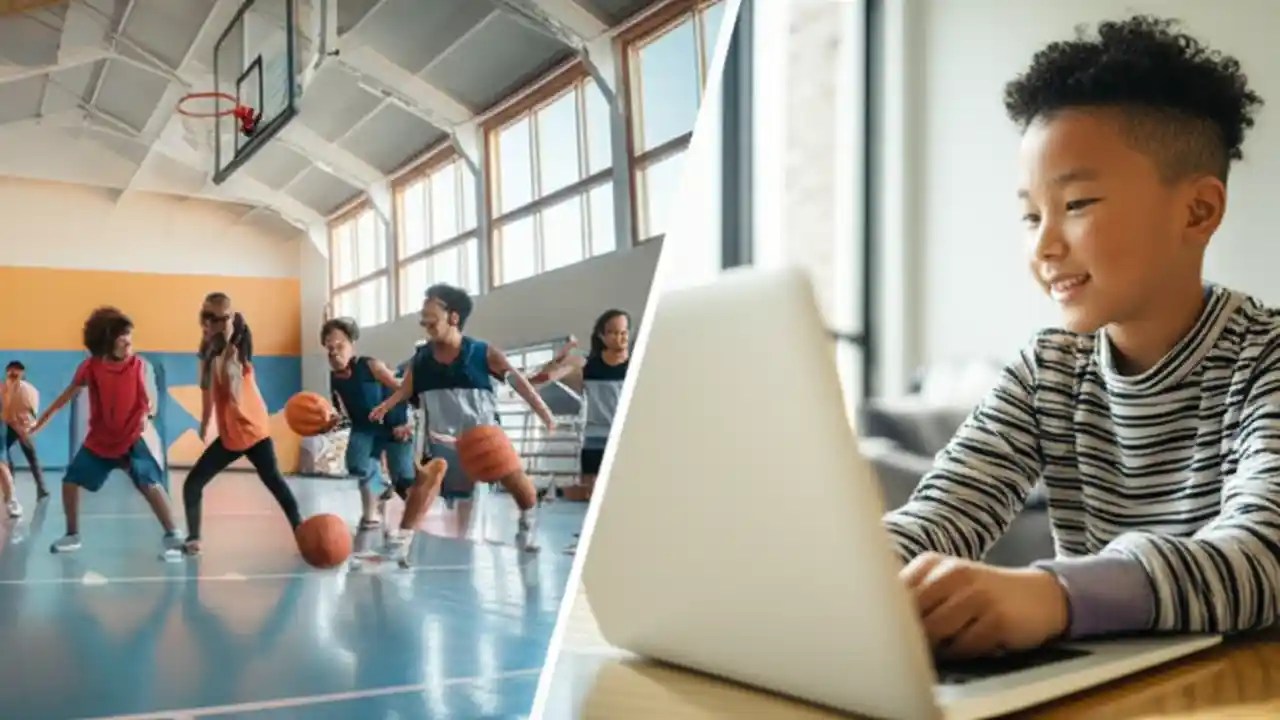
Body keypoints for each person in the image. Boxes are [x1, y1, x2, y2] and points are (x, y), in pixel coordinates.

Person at [881, 14, 1279, 661]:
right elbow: (939, 518)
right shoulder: (1048, 372)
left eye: (1077, 205)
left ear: (1198, 211)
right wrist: (845, 578)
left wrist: (1055, 595)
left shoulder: (1267, 359)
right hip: (1103, 686)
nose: (1043, 245)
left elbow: (1262, 555)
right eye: (1030, 214)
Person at [370, 283, 556, 556]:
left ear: (453, 317)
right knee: (425, 482)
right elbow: (406, 389)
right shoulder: (421, 358)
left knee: (521, 488)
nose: (424, 317)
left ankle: (527, 522)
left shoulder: (483, 353)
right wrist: (385, 406)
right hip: (442, 440)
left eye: (431, 308)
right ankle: (404, 537)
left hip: (484, 438)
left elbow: (520, 384)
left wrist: (545, 413)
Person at [30, 307, 182, 554]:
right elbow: (65, 397)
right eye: (121, 336)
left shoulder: (138, 366)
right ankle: (72, 535)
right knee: (70, 482)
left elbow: (147, 401)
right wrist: (40, 423)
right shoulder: (90, 367)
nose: (127, 340)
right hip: (100, 441)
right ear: (105, 342)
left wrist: (146, 416)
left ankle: (173, 534)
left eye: (128, 334)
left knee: (150, 484)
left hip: (131, 437)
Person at [182, 292, 303, 555]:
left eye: (218, 318)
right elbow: (207, 391)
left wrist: (227, 354)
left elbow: (235, 374)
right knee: (193, 484)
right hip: (231, 436)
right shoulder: (210, 355)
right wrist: (205, 423)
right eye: (206, 317)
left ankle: (300, 530)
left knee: (275, 483)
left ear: (229, 320)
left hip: (254, 432)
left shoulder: (237, 351)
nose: (211, 323)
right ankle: (194, 539)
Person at [320, 317, 415, 529]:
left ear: (351, 344)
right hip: (365, 427)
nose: (334, 352)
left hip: (394, 424)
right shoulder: (334, 378)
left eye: (339, 346)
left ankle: (414, 519)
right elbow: (341, 413)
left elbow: (402, 391)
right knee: (357, 464)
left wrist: (407, 422)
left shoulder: (370, 365)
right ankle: (373, 509)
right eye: (329, 348)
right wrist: (330, 422)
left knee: (403, 480)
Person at [2, 361, 47, 499]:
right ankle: (10, 488)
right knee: (5, 458)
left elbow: (33, 412)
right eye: (10, 371)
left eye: (16, 371)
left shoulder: (30, 391)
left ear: (22, 373)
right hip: (7, 426)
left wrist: (28, 427)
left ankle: (41, 488)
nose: (13, 374)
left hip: (22, 427)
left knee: (31, 456)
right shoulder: (3, 389)